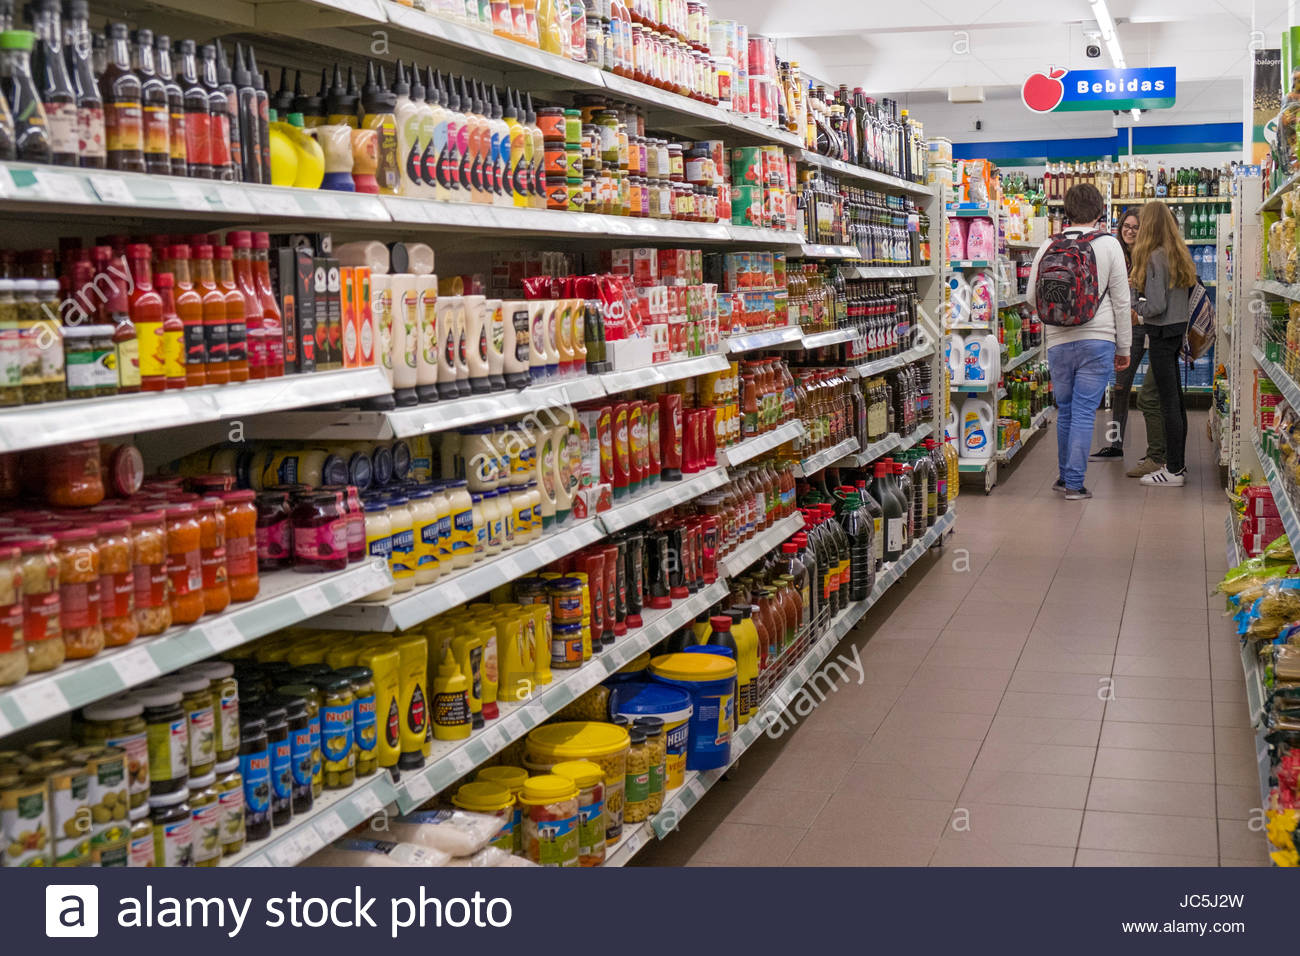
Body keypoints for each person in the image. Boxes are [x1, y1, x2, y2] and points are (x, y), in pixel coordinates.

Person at [1026, 183, 1131, 500]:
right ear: (1100, 212)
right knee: (1086, 411)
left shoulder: (1048, 245)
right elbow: (1122, 302)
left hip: (1057, 341)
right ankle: (1074, 484)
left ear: (1066, 212)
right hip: (1098, 339)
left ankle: (1064, 477)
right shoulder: (1110, 245)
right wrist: (1124, 347)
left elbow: (1032, 298)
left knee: (1066, 410)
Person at [1092, 207, 1165, 473]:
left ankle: (1157, 453)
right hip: (1127, 330)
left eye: (1136, 227)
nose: (1130, 231)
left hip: (1151, 326)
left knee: (1152, 395)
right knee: (1120, 388)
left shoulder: (1150, 256)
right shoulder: (1115, 254)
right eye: (1126, 227)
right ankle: (1115, 445)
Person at [1129, 201, 1195, 487]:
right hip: (1177, 329)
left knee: (1167, 402)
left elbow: (1155, 306)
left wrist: (1136, 307)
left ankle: (1174, 470)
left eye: (1143, 221)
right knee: (1176, 400)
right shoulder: (1176, 252)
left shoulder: (1155, 256)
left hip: (1160, 331)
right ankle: (1177, 465)